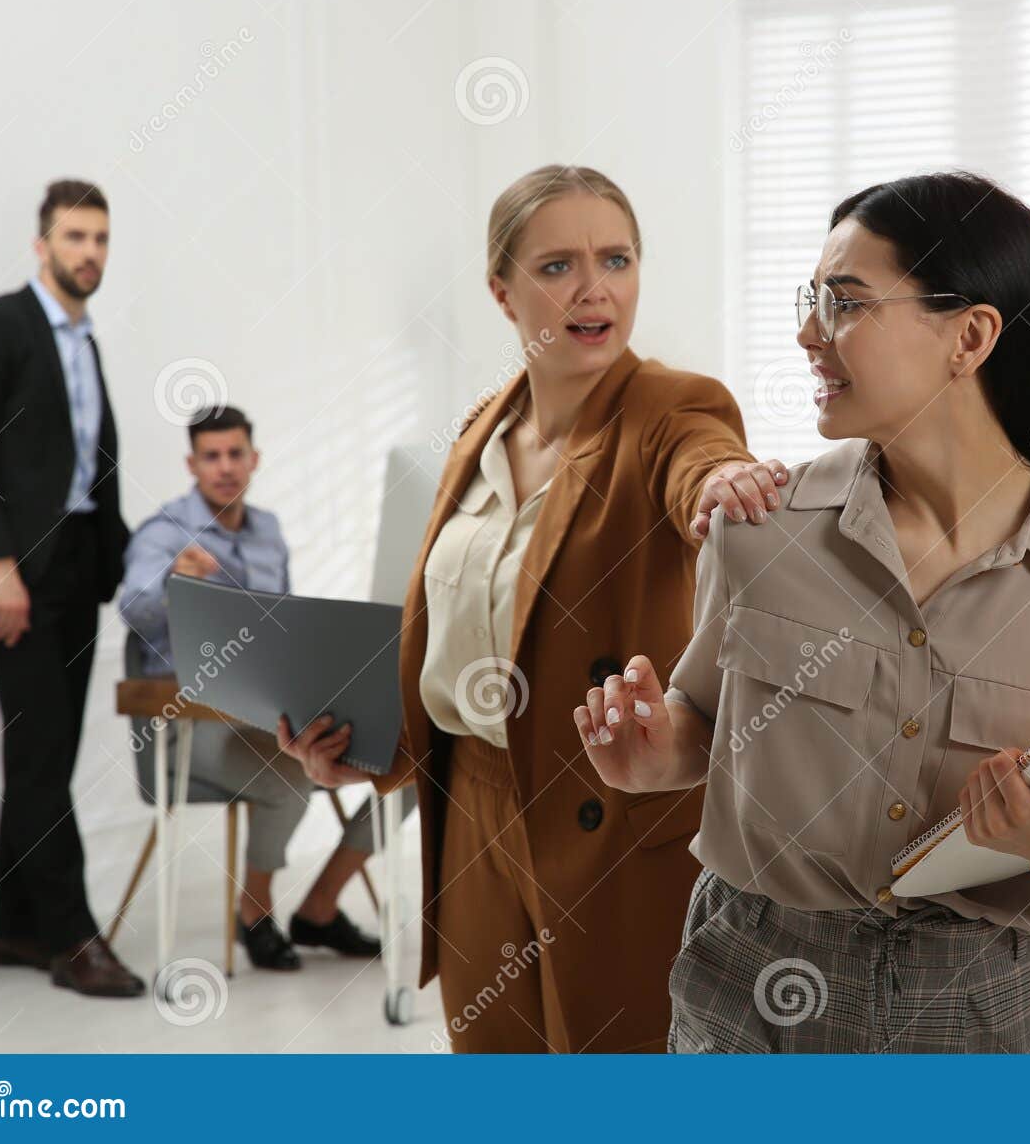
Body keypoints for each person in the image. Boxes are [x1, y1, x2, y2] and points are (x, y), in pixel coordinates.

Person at [576, 172, 1030, 1053]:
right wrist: (649, 754)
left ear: (971, 335)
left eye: (844, 304)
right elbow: (707, 722)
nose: (806, 335)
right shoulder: (761, 526)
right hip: (745, 987)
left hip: (977, 1003)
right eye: (811, 302)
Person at [279, 164, 786, 1052]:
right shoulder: (481, 427)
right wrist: (364, 755)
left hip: (607, 812)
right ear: (501, 290)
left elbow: (698, 462)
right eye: (557, 266)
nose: (594, 289)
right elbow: (454, 638)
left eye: (617, 259)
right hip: (473, 808)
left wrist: (723, 483)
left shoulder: (671, 406)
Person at [0, 179, 144, 997]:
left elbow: (86, 470)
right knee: (45, 749)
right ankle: (73, 938)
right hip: (10, 568)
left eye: (101, 238)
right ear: (41, 242)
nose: (89, 252)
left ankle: (16, 927)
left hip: (77, 565)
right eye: (75, 236)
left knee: (42, 748)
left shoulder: (82, 341)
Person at [118, 406, 381, 970]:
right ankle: (254, 914)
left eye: (236, 453)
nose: (225, 467)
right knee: (290, 772)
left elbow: (281, 634)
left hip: (263, 715)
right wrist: (175, 580)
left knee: (407, 761)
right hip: (189, 730)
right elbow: (132, 611)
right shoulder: (164, 533)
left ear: (254, 459)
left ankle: (320, 907)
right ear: (192, 464)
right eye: (211, 456)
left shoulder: (269, 531)